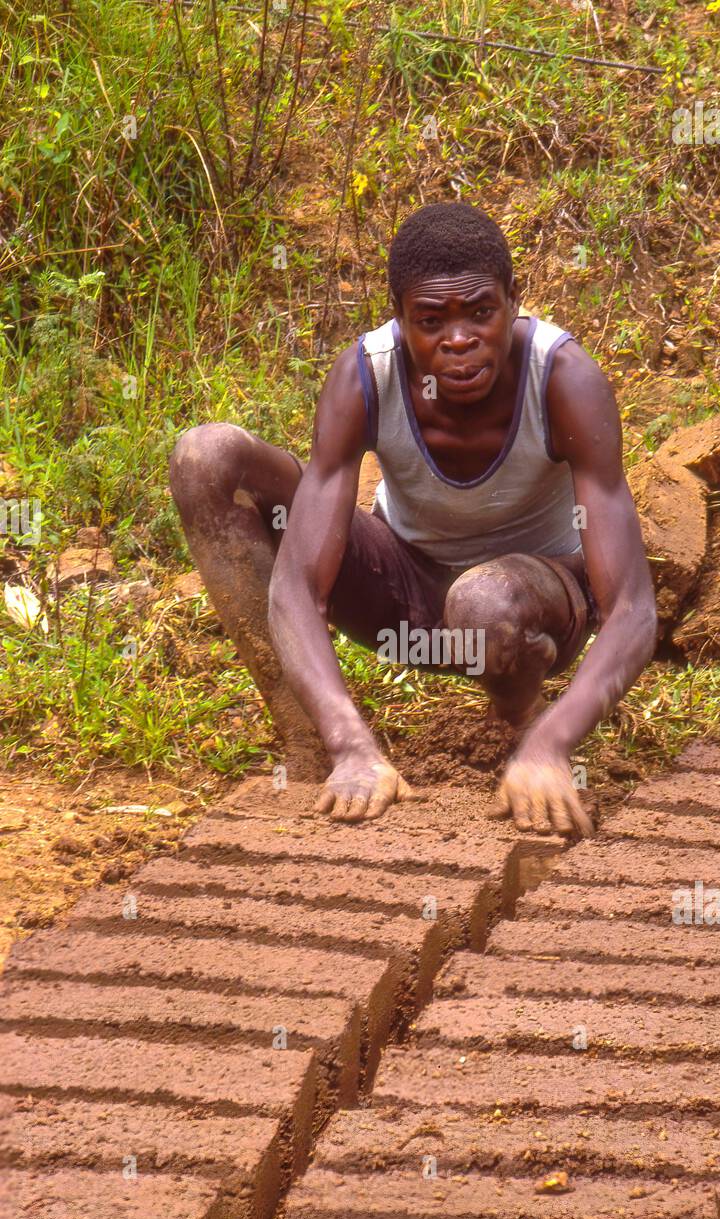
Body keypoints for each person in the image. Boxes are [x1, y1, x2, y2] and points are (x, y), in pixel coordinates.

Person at [169, 201, 656, 834]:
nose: (459, 340)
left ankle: (519, 720)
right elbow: (296, 587)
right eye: (431, 321)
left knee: (483, 602)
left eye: (482, 313)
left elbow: (633, 608)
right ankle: (316, 747)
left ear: (514, 300)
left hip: (527, 604)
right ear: (400, 319)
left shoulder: (563, 379)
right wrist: (352, 743)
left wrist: (553, 744)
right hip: (403, 594)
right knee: (206, 456)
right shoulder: (364, 376)